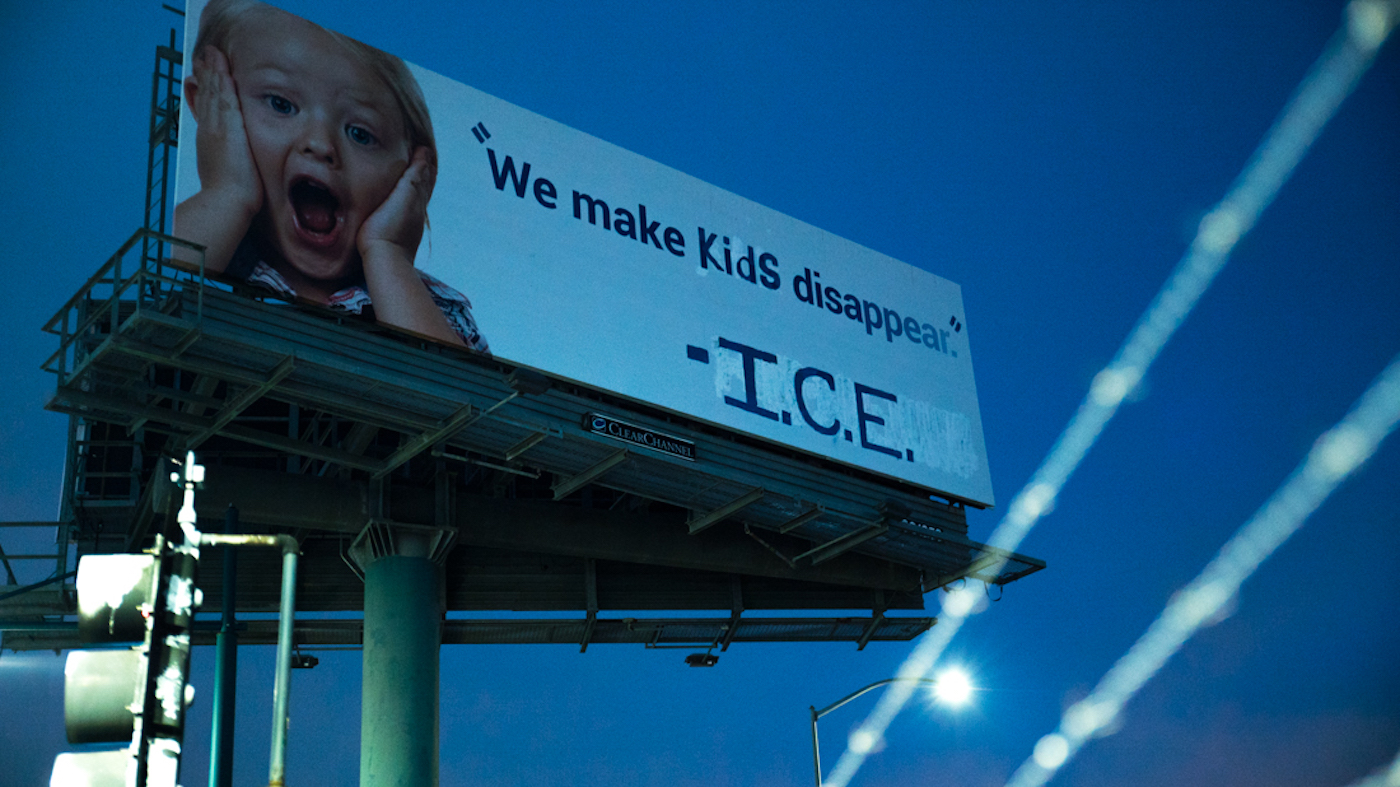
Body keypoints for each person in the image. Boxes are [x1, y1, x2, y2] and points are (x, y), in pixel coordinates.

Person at [175, 0, 488, 352]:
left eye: (360, 134)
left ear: (416, 176)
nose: (321, 144)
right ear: (210, 106)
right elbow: (148, 304)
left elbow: (457, 387)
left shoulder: (434, 306)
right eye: (281, 104)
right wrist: (227, 194)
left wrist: (388, 253)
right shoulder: (202, 249)